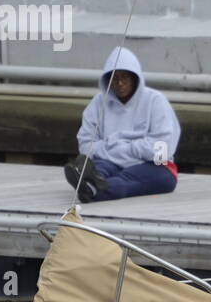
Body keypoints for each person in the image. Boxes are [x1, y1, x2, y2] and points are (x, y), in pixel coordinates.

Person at [66, 46, 181, 203]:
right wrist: (118, 153)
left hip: (151, 164)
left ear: (135, 77)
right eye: (114, 78)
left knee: (140, 179)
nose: (119, 83)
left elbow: (162, 148)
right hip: (109, 162)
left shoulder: (156, 101)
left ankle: (94, 189)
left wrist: (119, 148)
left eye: (124, 77)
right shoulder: (98, 103)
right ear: (107, 80)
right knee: (99, 168)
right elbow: (86, 144)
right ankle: (90, 183)